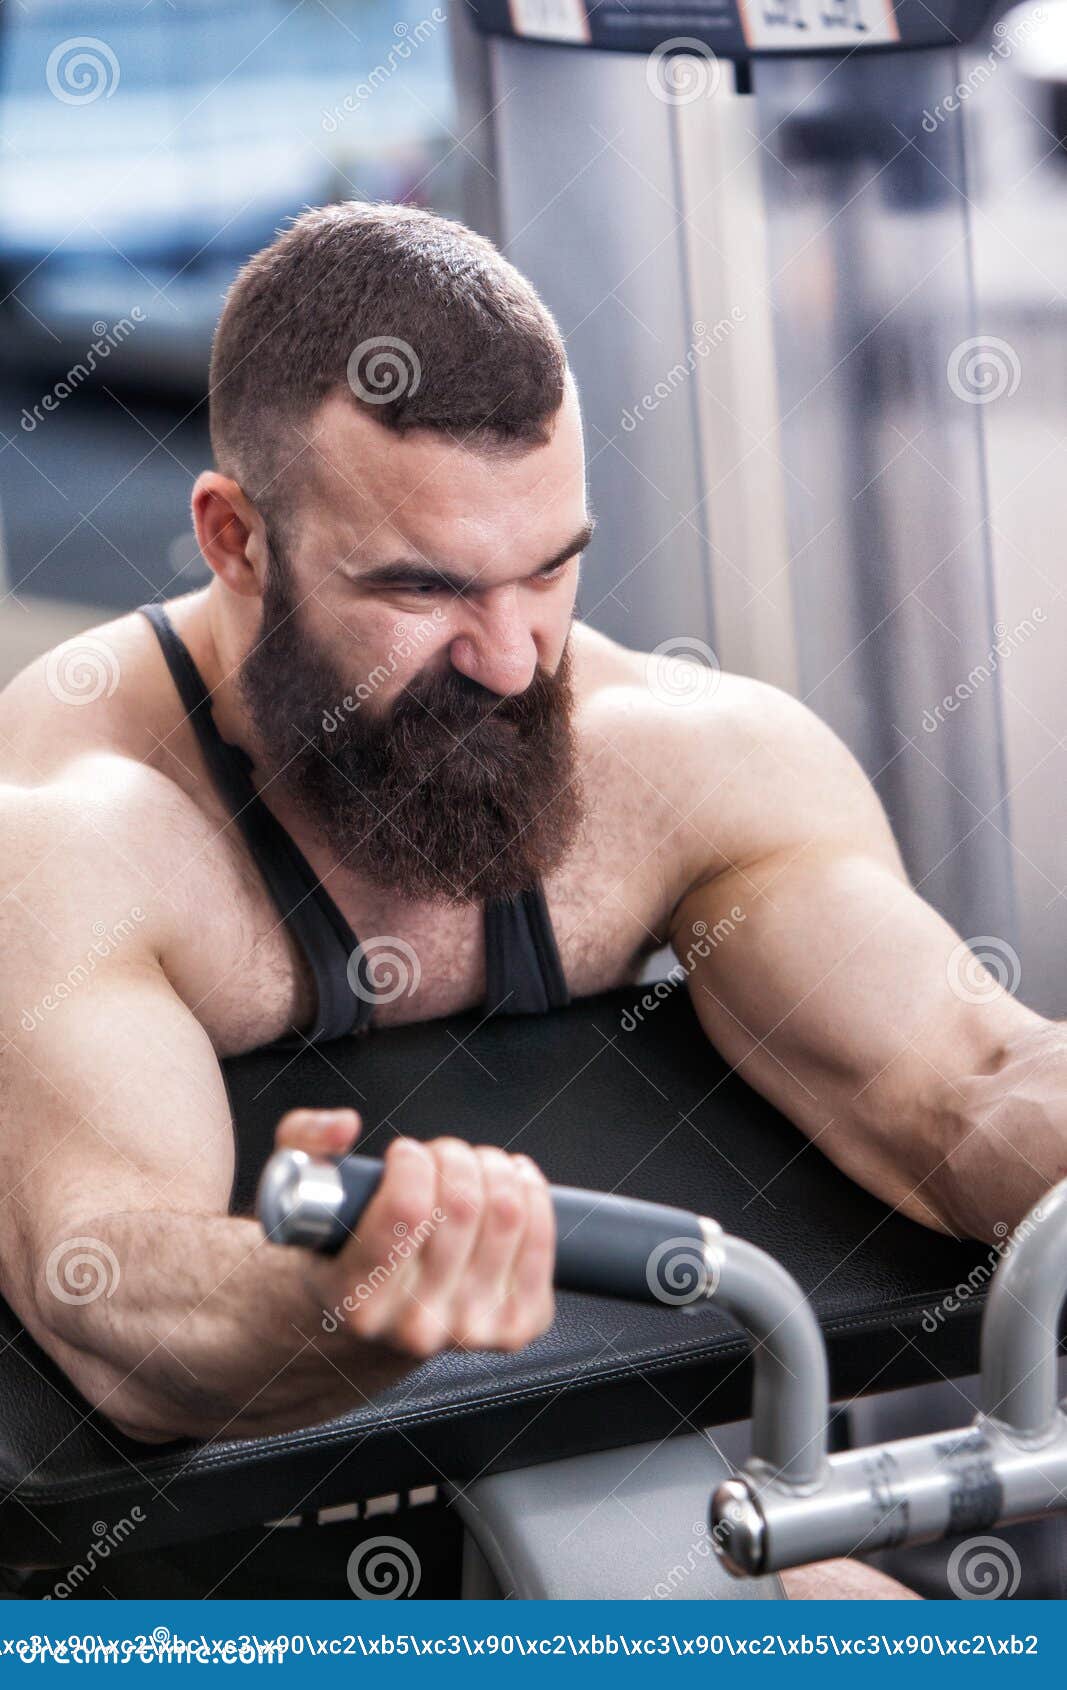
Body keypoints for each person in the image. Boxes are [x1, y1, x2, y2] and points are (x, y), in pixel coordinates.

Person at [0, 202, 1057, 1600]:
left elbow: (966, 1088)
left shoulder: (690, 757)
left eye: (550, 565)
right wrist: (335, 1301)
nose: (511, 659)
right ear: (236, 538)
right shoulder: (69, 831)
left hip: (653, 1532)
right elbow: (110, 1296)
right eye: (425, 588)